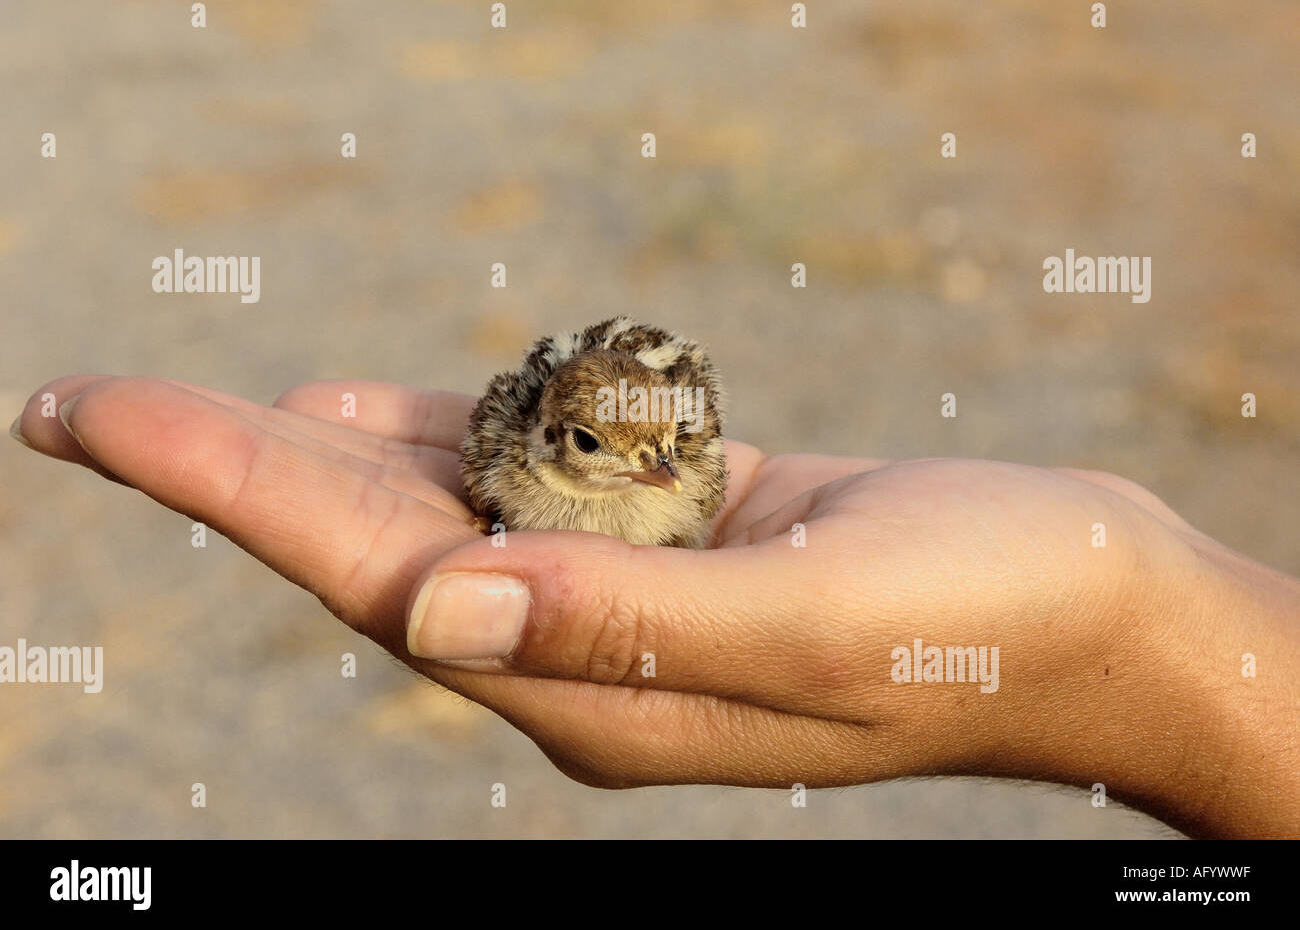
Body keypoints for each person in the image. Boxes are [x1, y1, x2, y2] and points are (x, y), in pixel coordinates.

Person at [11, 375, 1299, 838]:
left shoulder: (668, 476)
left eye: (670, 456)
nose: (656, 481)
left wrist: (1138, 625)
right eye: (602, 451)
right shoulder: (518, 457)